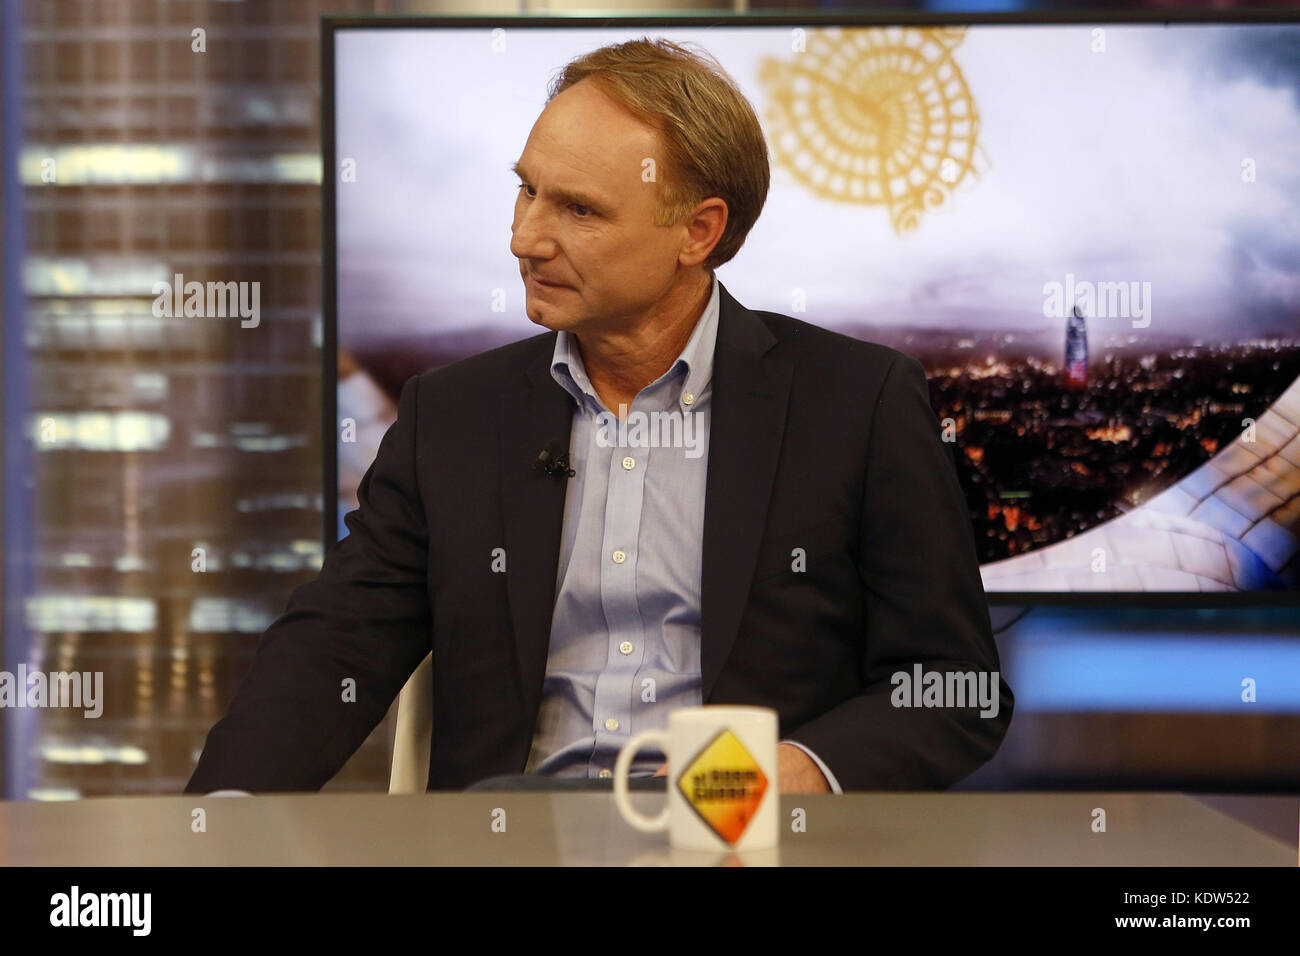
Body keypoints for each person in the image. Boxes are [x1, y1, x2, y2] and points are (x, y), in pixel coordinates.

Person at [186, 37, 1012, 796]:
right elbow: (336, 645)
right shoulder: (456, 416)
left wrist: (797, 772)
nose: (525, 239)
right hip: (513, 841)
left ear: (698, 230)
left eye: (577, 210)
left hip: (735, 840)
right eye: (526, 190)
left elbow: (951, 687)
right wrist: (222, 817)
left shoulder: (854, 404)